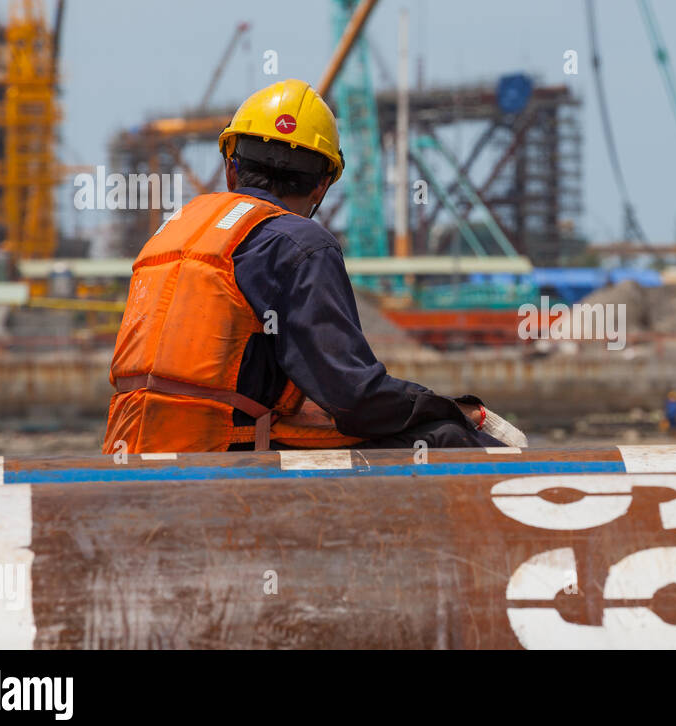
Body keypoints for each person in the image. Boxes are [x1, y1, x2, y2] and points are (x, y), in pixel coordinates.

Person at [102, 79, 503, 453]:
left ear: (231, 168)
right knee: (450, 438)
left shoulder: (172, 232)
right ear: (321, 186)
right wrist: (449, 410)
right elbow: (355, 397)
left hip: (132, 446)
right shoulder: (299, 243)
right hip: (219, 454)